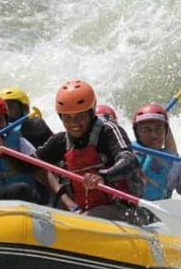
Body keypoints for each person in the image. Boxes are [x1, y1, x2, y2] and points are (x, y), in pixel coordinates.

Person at [20, 79, 143, 223]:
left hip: (121, 209)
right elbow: (28, 165)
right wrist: (0, 150)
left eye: (80, 116)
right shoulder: (60, 141)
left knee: (79, 221)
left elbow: (129, 160)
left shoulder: (108, 131)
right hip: (83, 210)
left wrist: (104, 176)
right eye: (68, 118)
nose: (74, 123)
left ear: (91, 113)